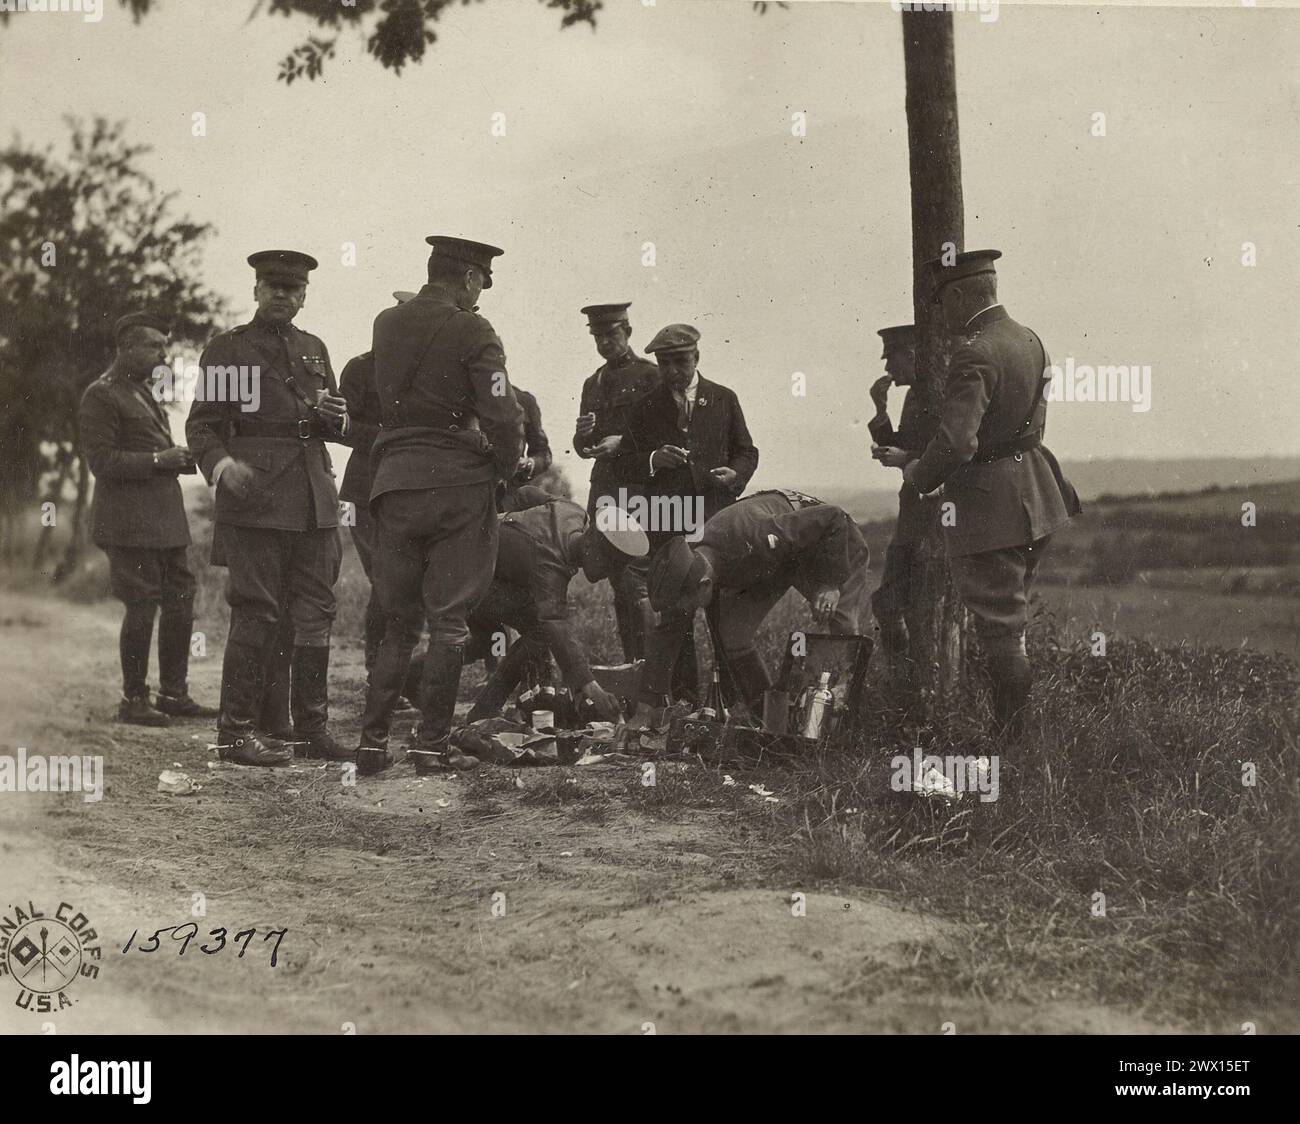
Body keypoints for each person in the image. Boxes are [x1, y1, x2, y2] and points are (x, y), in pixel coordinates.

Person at [355, 236, 525, 776]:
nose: (481, 296)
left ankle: (371, 745)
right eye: (482, 285)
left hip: (393, 483)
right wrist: (503, 462)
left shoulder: (387, 321)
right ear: (471, 278)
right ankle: (429, 746)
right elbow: (502, 411)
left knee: (398, 623)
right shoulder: (475, 329)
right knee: (449, 623)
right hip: (457, 486)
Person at [902, 249, 1081, 745]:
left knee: (1000, 631)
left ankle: (1010, 747)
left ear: (960, 295)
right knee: (1011, 623)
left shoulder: (975, 352)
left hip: (989, 509)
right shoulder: (1030, 339)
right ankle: (1014, 742)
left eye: (943, 301)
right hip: (1037, 497)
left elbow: (960, 441)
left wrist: (919, 474)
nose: (942, 313)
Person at [186, 250, 351, 767]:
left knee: (315, 612)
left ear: (305, 295)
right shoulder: (228, 350)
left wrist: (334, 417)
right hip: (255, 498)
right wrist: (221, 467)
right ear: (256, 290)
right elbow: (201, 427)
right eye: (273, 286)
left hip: (312, 499)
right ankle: (235, 734)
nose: (283, 295)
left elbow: (332, 425)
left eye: (293, 288)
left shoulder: (314, 348)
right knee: (257, 612)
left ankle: (310, 729)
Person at [78, 312, 216, 727]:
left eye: (164, 346)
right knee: (141, 605)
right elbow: (101, 462)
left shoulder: (141, 392)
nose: (163, 354)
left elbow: (145, 449)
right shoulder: (100, 395)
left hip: (163, 521)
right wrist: (161, 459)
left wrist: (176, 456)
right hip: (127, 522)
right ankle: (133, 699)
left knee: (179, 600)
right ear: (127, 348)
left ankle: (174, 694)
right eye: (155, 346)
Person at [629, 490, 868, 728]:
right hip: (777, 560)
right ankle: (770, 719)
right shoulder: (690, 561)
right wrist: (644, 708)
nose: (687, 613)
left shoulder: (754, 535)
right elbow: (668, 634)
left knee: (843, 628)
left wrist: (830, 583)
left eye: (690, 606)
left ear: (705, 586)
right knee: (733, 634)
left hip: (830, 540)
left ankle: (844, 725)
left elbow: (832, 517)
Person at [616, 322, 759, 704]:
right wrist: (651, 459)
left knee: (723, 615)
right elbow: (622, 463)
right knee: (677, 618)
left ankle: (732, 707)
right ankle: (685, 705)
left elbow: (747, 451)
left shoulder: (724, 399)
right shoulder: (646, 406)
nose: (672, 371)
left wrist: (735, 475)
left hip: (716, 524)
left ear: (697, 357)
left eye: (680, 361)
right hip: (669, 524)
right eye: (664, 364)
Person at [462, 498, 645, 725]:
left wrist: (511, 527)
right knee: (539, 631)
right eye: (607, 565)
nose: (606, 575)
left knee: (491, 640)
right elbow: (554, 622)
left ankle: (415, 678)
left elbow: (525, 492)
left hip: (481, 560)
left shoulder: (574, 513)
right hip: (468, 575)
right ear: (589, 546)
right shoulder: (550, 565)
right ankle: (483, 713)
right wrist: (591, 688)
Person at [337, 290, 422, 700]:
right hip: (364, 490)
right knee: (385, 581)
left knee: (400, 583)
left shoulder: (423, 368)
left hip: (408, 490)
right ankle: (379, 677)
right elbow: (342, 426)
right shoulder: (360, 368)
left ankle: (393, 678)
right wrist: (393, 438)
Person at [571, 302, 660, 660]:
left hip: (639, 493)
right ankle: (632, 668)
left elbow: (664, 435)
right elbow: (583, 447)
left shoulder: (650, 376)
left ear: (628, 332)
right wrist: (582, 438)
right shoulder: (593, 382)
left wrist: (621, 443)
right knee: (617, 585)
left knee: (635, 584)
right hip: (606, 494)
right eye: (598, 337)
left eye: (612, 334)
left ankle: (651, 677)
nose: (605, 343)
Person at [867, 324, 937, 699]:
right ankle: (903, 686)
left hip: (934, 518)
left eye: (892, 360)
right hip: (911, 514)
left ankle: (919, 691)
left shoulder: (940, 392)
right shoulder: (913, 397)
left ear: (911, 354)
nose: (889, 370)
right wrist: (880, 412)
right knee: (888, 602)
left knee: (918, 607)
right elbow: (900, 448)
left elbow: (953, 454)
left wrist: (906, 458)